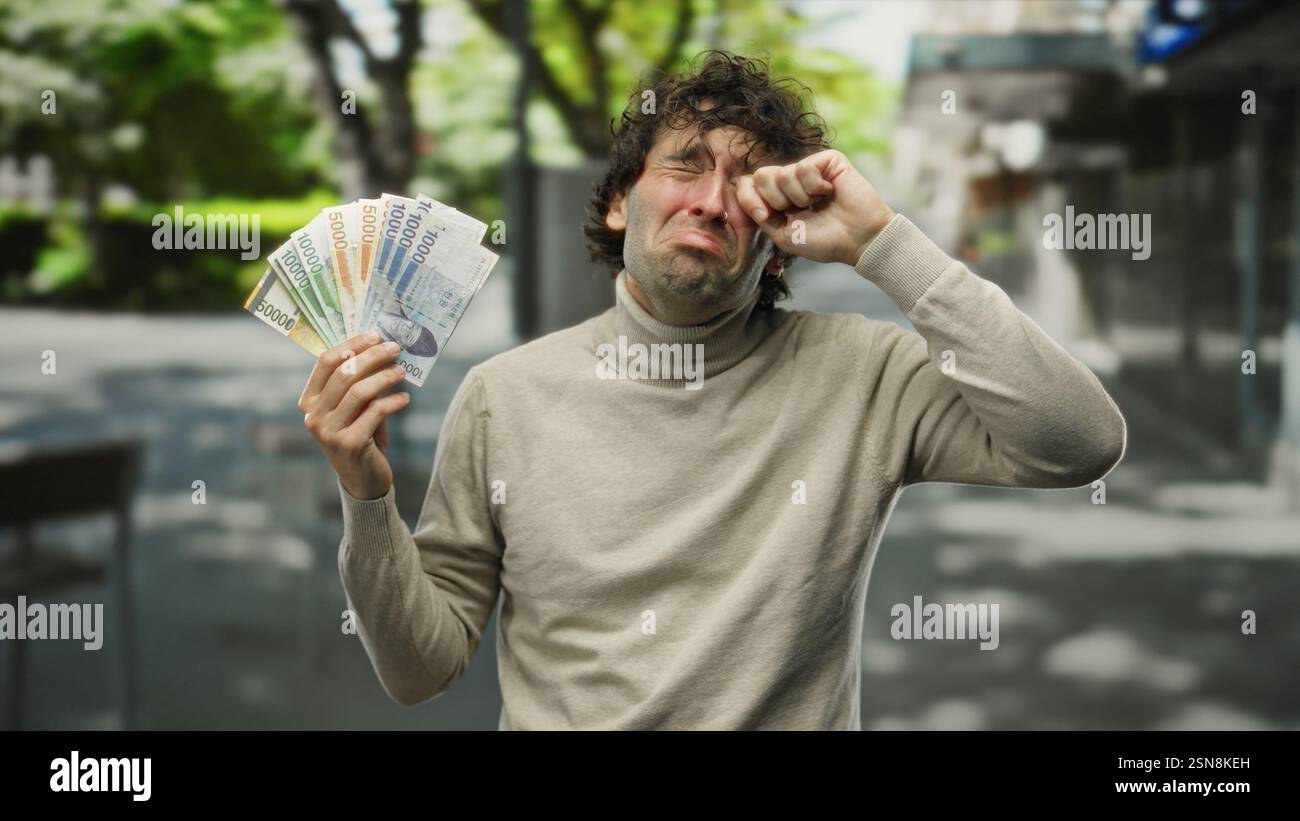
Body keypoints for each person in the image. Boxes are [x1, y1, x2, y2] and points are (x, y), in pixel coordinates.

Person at [298, 50, 1127, 730]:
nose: (711, 199)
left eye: (747, 182)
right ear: (622, 200)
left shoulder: (866, 373)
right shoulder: (500, 396)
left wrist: (883, 243)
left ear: (777, 237)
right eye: (685, 166)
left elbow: (1081, 441)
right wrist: (366, 497)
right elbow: (419, 669)